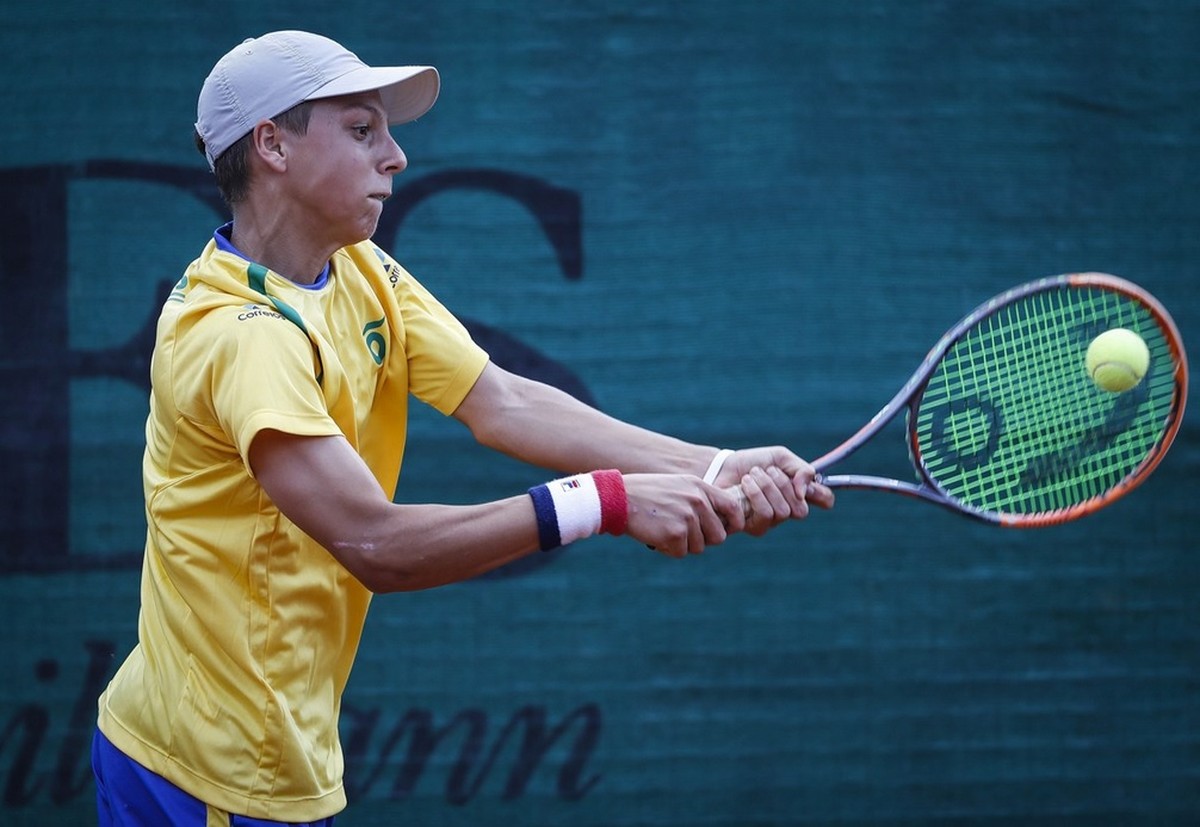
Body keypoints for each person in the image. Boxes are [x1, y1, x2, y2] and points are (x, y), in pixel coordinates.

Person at [91, 30, 835, 826]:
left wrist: (712, 466)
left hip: (221, 743)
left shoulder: (360, 270)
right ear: (272, 144)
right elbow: (377, 544)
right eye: (362, 129)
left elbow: (504, 402)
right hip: (212, 773)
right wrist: (606, 502)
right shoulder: (241, 335)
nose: (397, 157)